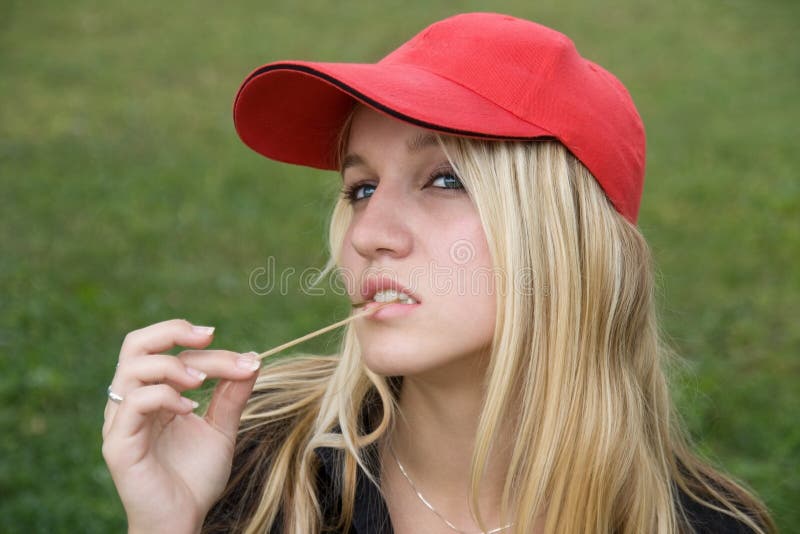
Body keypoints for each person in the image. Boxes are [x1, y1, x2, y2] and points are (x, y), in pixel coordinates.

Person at [101, 12, 776, 534]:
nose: (369, 235)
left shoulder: (707, 524)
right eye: (361, 188)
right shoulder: (250, 465)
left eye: (445, 179)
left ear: (570, 238)